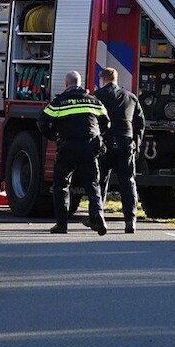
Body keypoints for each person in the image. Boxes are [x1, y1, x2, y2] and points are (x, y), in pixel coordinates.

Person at [37, 71, 109, 235]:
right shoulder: (93, 100)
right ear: (80, 83)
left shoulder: (60, 101)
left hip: (67, 147)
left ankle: (61, 225)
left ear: (66, 84)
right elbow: (107, 121)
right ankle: (99, 216)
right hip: (89, 146)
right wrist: (98, 136)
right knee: (93, 184)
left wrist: (52, 136)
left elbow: (42, 121)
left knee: (61, 185)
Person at [93, 67, 145, 233]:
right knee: (128, 183)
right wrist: (136, 143)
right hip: (126, 143)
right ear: (116, 79)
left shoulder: (98, 96)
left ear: (102, 80)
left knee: (100, 181)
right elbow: (141, 122)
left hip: (105, 144)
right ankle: (130, 220)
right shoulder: (131, 97)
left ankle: (97, 217)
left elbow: (92, 120)